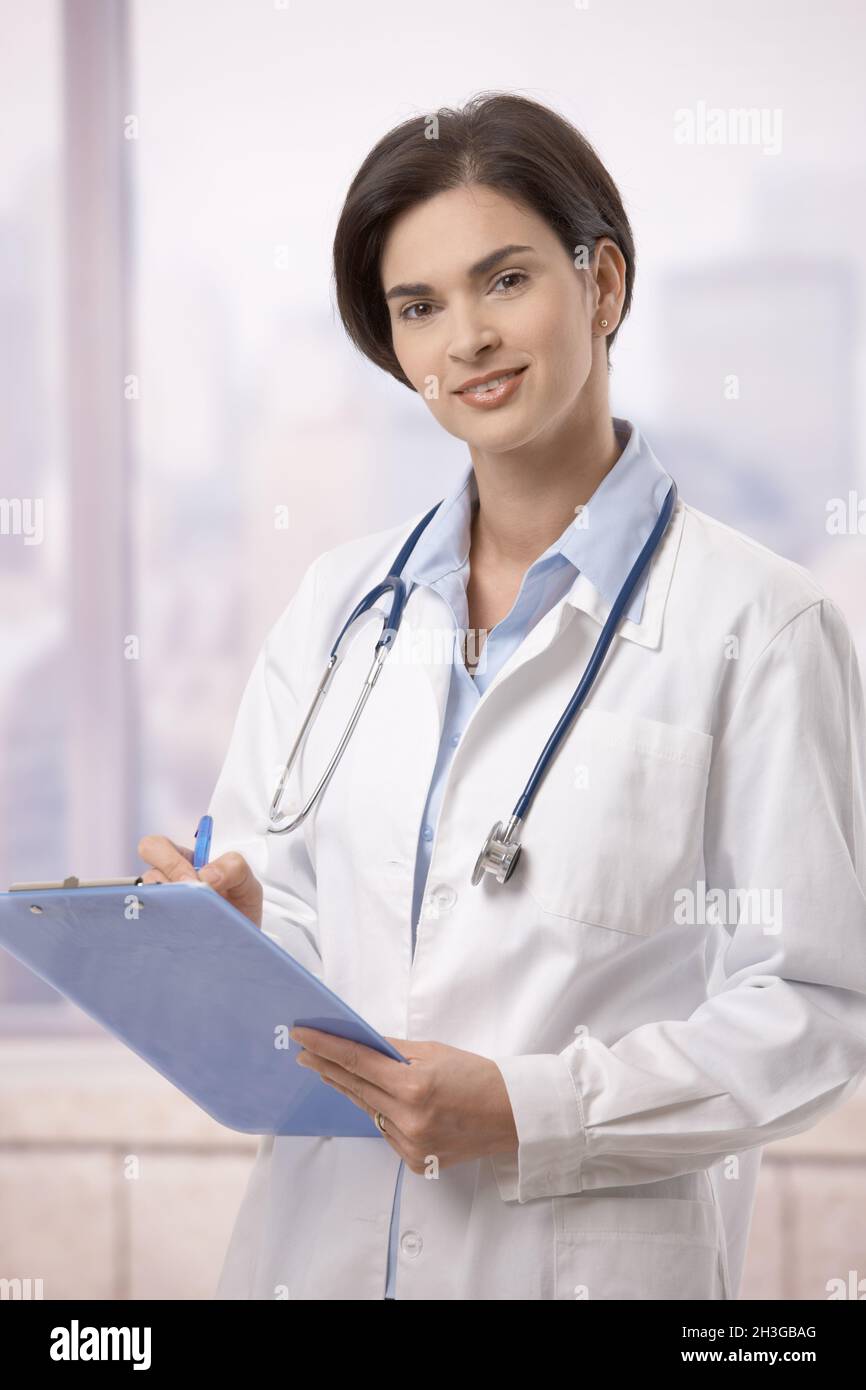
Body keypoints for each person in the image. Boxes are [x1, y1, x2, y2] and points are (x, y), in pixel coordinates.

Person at [138, 91, 866, 1301]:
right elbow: (315, 946)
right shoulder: (334, 609)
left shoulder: (760, 624)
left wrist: (529, 1111)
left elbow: (811, 1010)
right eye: (417, 306)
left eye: (504, 280)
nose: (463, 337)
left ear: (603, 287)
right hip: (312, 1258)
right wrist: (243, 935)